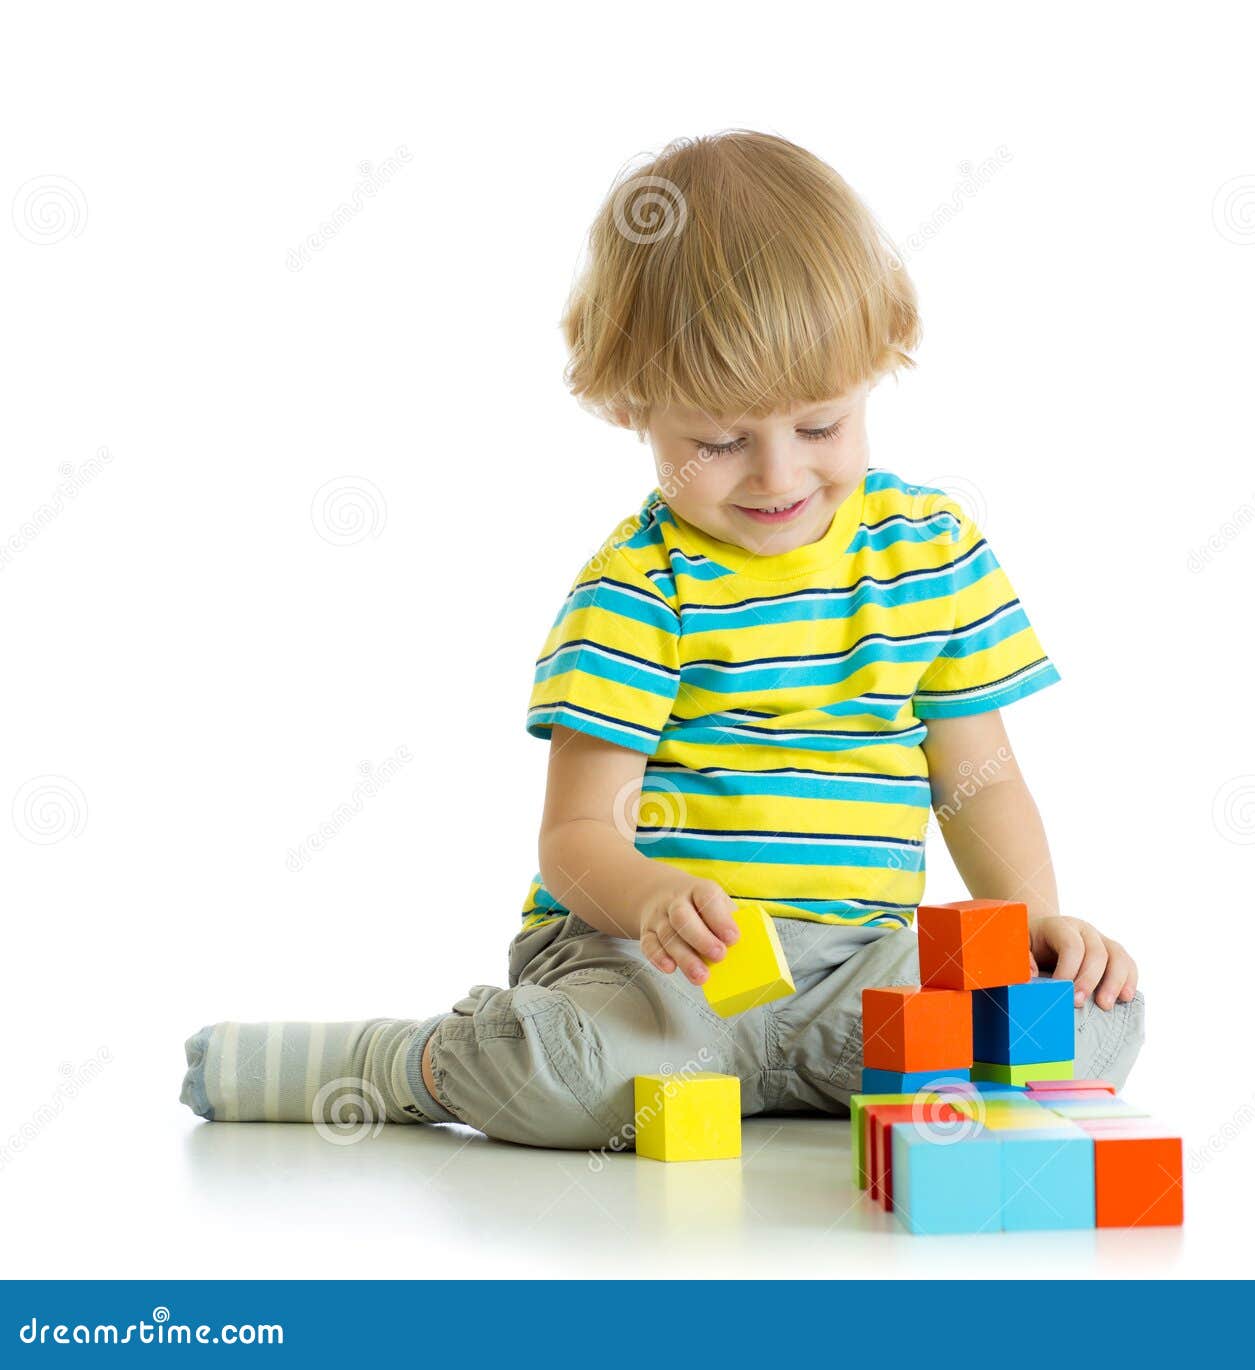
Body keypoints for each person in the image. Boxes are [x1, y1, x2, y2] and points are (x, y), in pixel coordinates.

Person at [180, 130, 1144, 1149]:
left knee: (1090, 1025)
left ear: (874, 370)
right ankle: (401, 1062)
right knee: (563, 1073)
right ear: (632, 405)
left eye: (819, 426)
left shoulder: (931, 550)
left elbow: (980, 775)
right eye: (719, 441)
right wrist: (649, 898)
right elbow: (575, 837)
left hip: (860, 967)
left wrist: (1031, 921)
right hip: (651, 972)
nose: (775, 476)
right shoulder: (640, 587)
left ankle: (784, 1076)